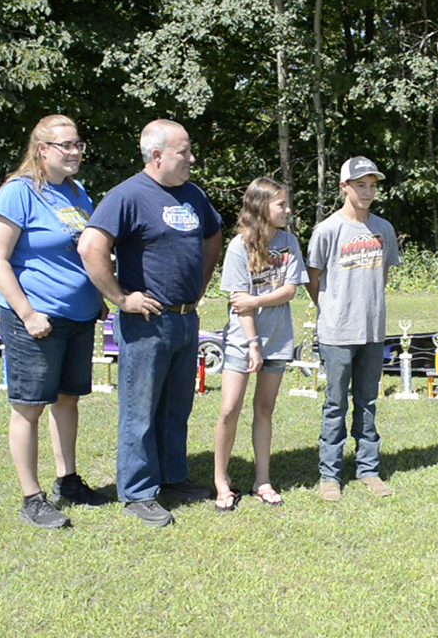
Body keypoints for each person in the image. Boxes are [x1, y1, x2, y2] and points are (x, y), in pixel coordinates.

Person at [78, 119, 222, 528]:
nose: (191, 158)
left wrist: (201, 283)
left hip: (184, 318)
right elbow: (91, 246)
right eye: (184, 152)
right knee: (140, 411)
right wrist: (121, 297)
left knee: (177, 407)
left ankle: (172, 477)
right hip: (146, 322)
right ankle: (139, 491)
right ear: (157, 155)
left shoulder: (193, 195)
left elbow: (213, 234)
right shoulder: (127, 195)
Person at [0, 114, 109, 530]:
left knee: (68, 399)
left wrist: (101, 295)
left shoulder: (76, 193)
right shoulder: (17, 193)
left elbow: (84, 250)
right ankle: (31, 497)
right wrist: (27, 313)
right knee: (29, 407)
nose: (75, 152)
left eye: (78, 144)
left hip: (78, 316)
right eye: (65, 146)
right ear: (42, 150)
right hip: (35, 318)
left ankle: (68, 481)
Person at [306, 156, 399, 501]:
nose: (368, 191)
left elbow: (383, 276)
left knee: (367, 402)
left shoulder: (383, 229)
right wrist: (331, 310)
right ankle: (330, 475)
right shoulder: (328, 230)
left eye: (373, 185)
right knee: (334, 404)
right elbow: (313, 278)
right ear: (344, 187)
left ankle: (368, 469)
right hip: (336, 333)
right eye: (361, 185)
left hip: (372, 331)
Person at [212, 177, 307, 511]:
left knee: (265, 409)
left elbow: (290, 290)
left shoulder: (289, 242)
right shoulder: (239, 246)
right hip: (242, 341)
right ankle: (221, 483)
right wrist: (252, 344)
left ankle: (261, 480)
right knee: (229, 409)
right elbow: (240, 304)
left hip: (279, 340)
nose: (288, 210)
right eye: (281, 204)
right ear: (261, 207)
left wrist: (256, 300)